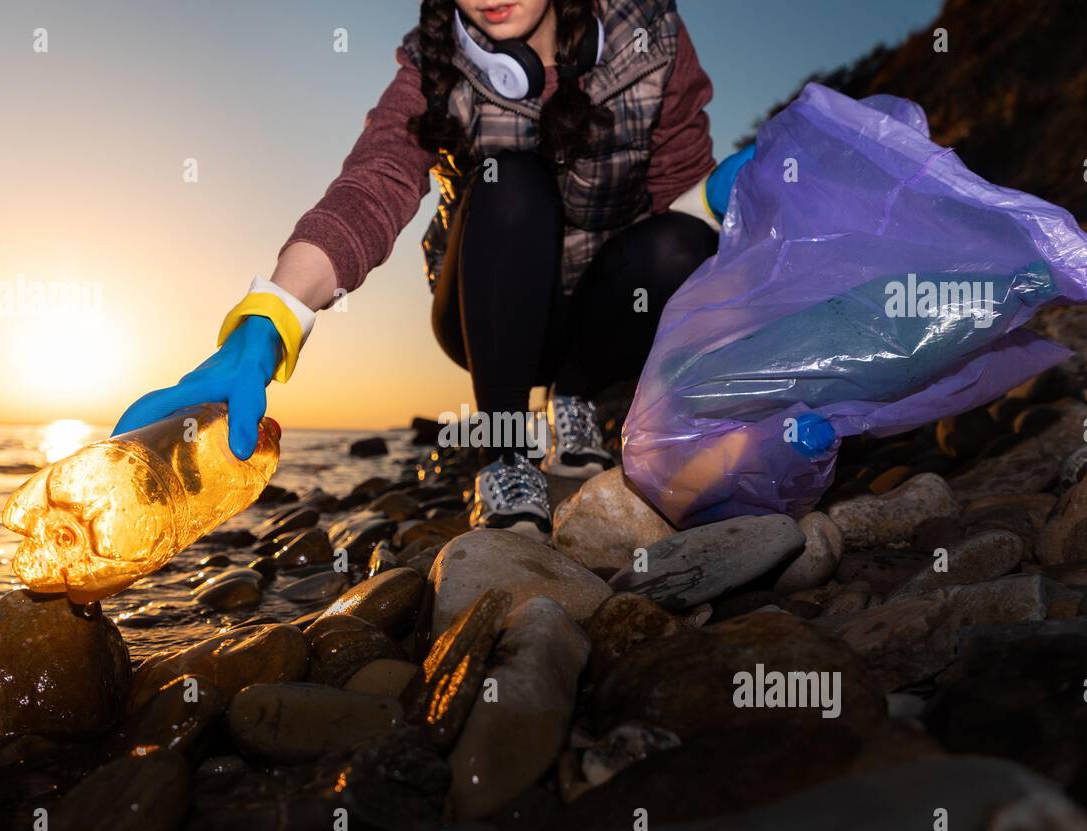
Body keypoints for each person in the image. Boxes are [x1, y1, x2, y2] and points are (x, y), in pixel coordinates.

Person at [116, 0, 751, 539]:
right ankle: (505, 455)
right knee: (510, 179)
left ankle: (576, 396)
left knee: (680, 243)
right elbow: (373, 185)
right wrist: (270, 318)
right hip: (489, 315)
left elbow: (679, 195)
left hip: (607, 315)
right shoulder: (434, 60)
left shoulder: (651, 31)